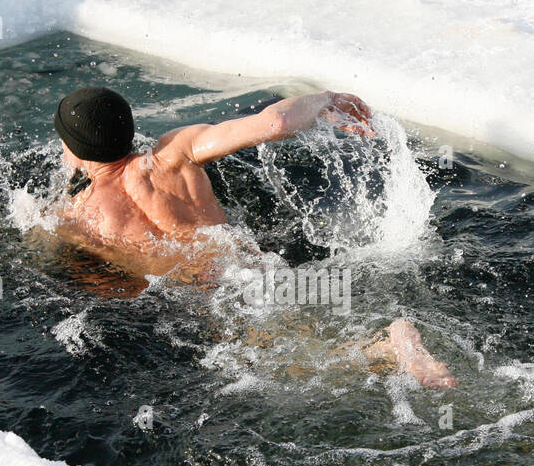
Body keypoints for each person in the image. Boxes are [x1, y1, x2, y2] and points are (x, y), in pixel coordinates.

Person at [48, 85, 457, 388]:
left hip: (208, 295)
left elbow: (113, 287)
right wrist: (326, 99)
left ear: (74, 148)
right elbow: (275, 122)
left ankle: (391, 346)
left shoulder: (76, 217)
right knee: (309, 324)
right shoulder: (173, 153)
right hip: (252, 266)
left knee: (293, 367)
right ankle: (389, 342)